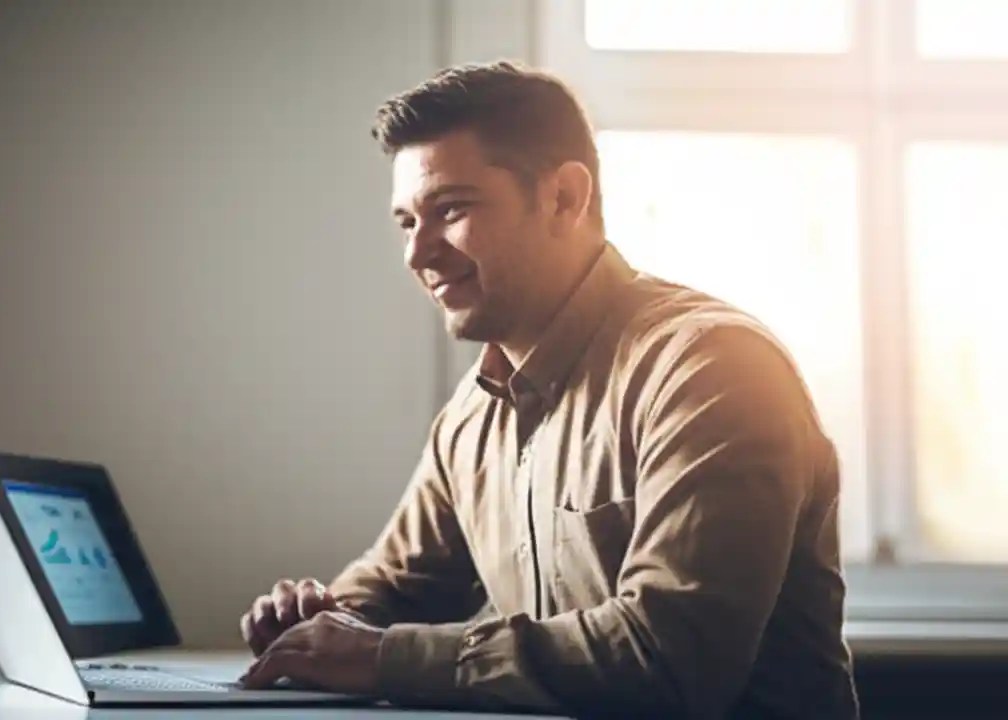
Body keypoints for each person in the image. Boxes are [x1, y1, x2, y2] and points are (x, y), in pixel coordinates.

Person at [238, 60, 859, 719]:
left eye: (450, 210)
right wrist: (316, 621)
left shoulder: (710, 369)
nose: (417, 254)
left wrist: (378, 655)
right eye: (405, 222)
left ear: (564, 197)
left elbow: (672, 659)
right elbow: (390, 588)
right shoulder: (471, 420)